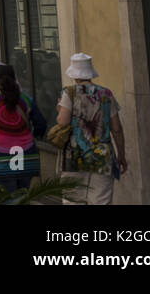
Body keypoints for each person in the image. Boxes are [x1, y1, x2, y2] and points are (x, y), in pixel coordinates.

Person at [55, 53, 126, 204]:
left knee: (73, 201)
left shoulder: (69, 92)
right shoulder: (106, 94)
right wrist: (121, 155)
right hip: (102, 157)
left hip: (74, 156)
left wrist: (59, 108)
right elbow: (117, 128)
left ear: (74, 75)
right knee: (101, 201)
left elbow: (62, 122)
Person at [0, 63, 47, 195]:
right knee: (23, 196)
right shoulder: (27, 100)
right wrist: (33, 137)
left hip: (1, 159)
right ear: (14, 77)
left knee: (8, 196)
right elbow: (41, 124)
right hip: (26, 156)